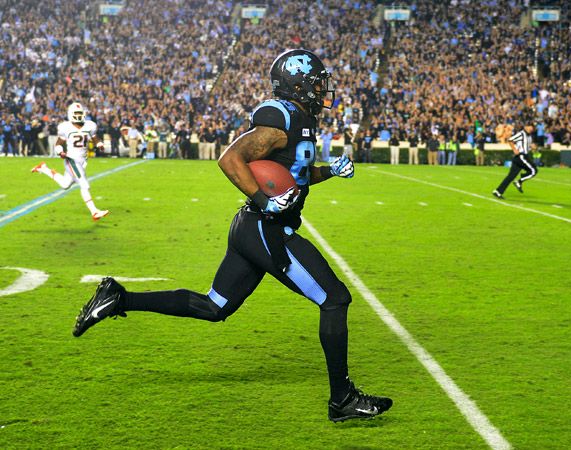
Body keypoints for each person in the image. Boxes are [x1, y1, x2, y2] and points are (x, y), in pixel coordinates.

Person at [71, 49, 392, 423]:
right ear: (297, 84)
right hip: (266, 228)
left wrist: (328, 172)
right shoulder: (281, 117)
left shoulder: (301, 119)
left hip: (253, 227)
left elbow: (292, 178)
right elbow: (230, 159)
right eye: (317, 83)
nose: (323, 90)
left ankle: (118, 298)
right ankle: (342, 400)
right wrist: (264, 201)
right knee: (334, 298)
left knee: (214, 306)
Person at [30, 103, 109, 221]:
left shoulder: (90, 125)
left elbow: (94, 136)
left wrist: (99, 144)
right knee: (84, 184)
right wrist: (60, 152)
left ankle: (43, 168)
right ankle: (94, 211)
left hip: (82, 160)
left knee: (65, 184)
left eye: (80, 113)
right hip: (71, 160)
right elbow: (58, 144)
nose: (79, 116)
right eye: (76, 114)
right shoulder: (65, 127)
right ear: (71, 115)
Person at [493, 117, 537, 199]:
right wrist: (514, 149)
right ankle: (519, 181)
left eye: (533, 127)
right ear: (526, 126)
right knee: (534, 170)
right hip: (521, 156)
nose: (532, 128)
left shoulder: (529, 136)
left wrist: (532, 147)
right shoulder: (521, 134)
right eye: (530, 126)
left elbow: (525, 146)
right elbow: (510, 140)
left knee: (510, 176)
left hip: (519, 158)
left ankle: (498, 191)